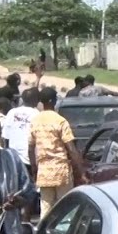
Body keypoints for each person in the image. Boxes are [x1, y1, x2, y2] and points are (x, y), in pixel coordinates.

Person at [28, 87, 87, 218]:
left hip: (44, 171)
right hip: (61, 170)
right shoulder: (60, 121)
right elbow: (71, 148)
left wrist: (34, 170)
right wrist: (81, 172)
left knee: (46, 207)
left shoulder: (35, 121)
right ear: (52, 101)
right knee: (65, 207)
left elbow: (31, 148)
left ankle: (43, 233)